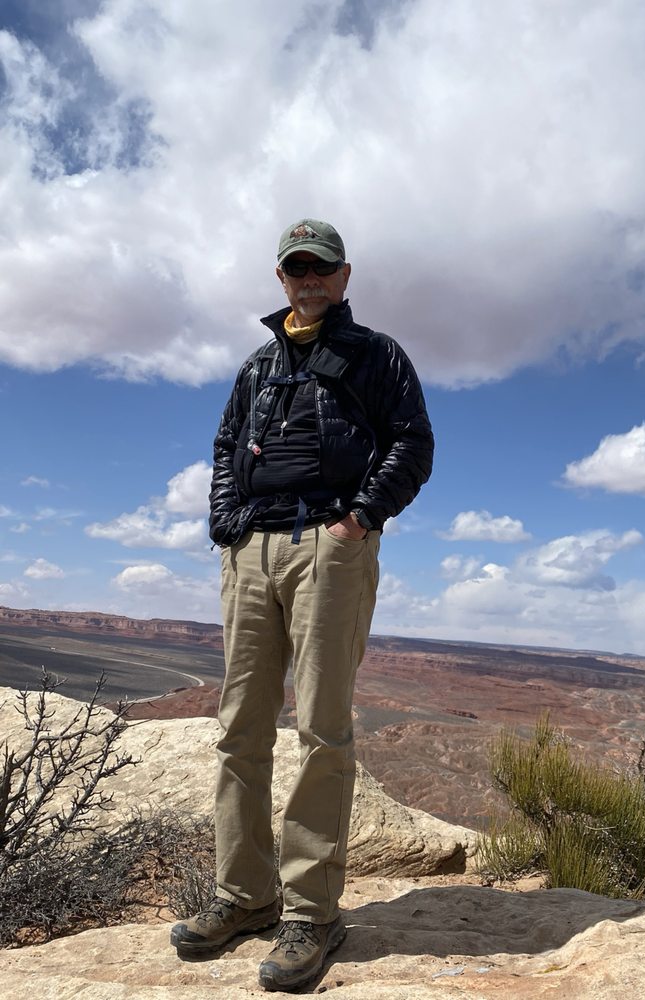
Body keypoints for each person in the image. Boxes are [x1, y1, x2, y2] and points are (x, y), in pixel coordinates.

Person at [170, 218, 433, 992]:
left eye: (321, 269)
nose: (308, 280)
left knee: (320, 727)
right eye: (295, 269)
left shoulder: (376, 355)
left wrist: (360, 519)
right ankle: (245, 895)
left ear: (344, 276)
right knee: (240, 728)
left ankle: (312, 914)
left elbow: (412, 443)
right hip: (253, 549)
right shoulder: (258, 364)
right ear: (281, 278)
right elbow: (226, 446)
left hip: (330, 544)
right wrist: (226, 524)